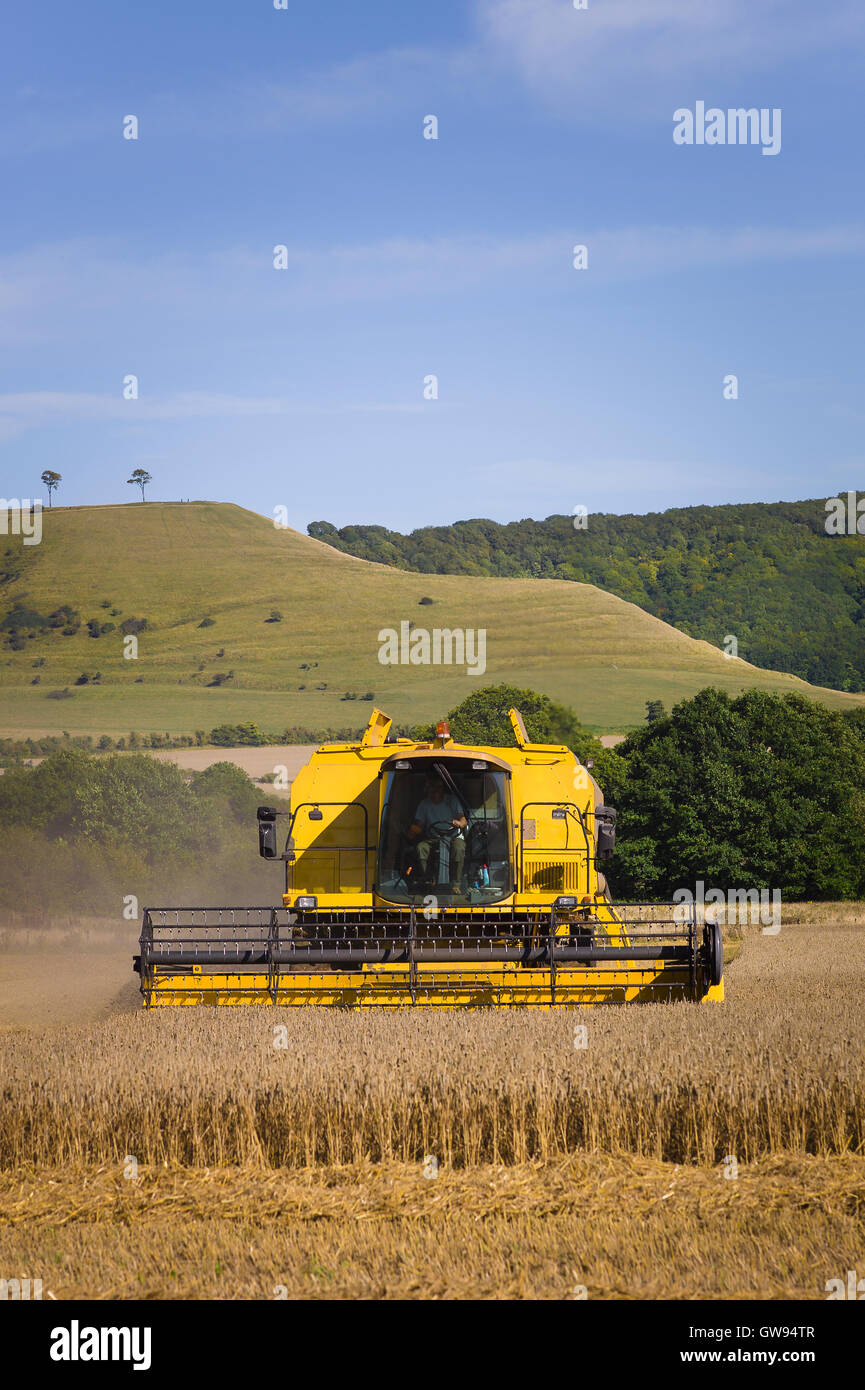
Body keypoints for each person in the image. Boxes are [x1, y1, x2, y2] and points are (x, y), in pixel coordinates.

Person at [407, 776, 467, 892]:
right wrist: (412, 831)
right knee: (421, 848)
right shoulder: (424, 804)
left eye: (436, 791)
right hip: (434, 837)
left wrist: (459, 823)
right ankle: (429, 880)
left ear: (442, 790)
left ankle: (456, 884)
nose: (434, 794)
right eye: (431, 791)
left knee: (459, 848)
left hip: (453, 836)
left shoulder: (452, 801)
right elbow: (420, 824)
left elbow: (463, 820)